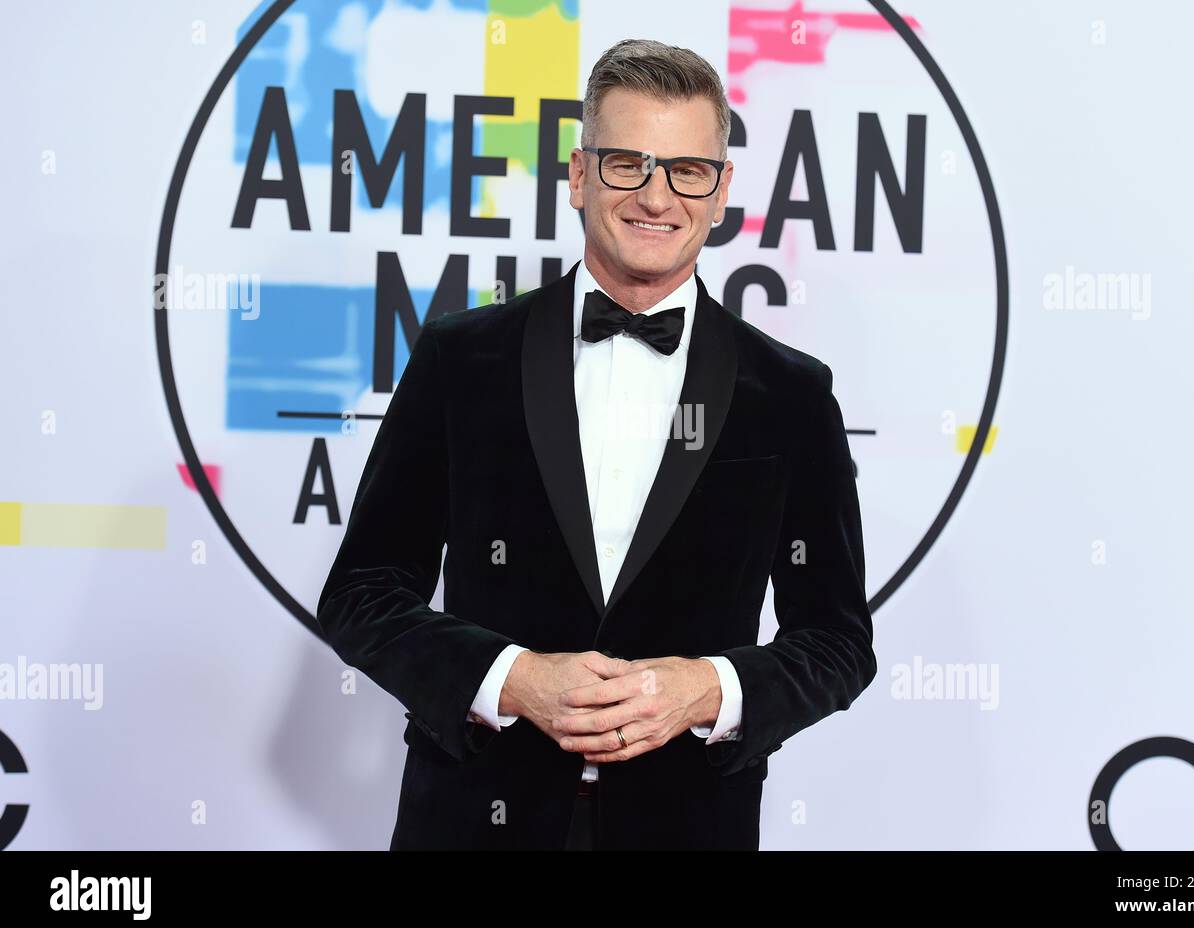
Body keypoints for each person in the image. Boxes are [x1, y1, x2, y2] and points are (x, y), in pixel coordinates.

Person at [316, 38, 876, 851]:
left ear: (720, 193)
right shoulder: (460, 360)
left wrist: (706, 689)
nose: (656, 196)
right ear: (579, 176)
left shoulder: (791, 394)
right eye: (627, 164)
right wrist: (514, 680)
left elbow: (836, 641)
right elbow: (362, 593)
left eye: (687, 170)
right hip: (475, 821)